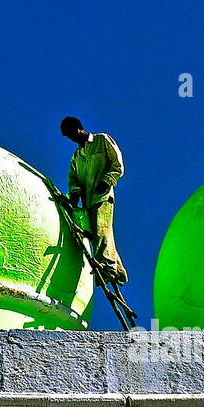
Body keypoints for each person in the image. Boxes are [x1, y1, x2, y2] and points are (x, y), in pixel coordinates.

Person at [59, 116, 128, 285]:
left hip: (102, 195)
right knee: (99, 234)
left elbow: (117, 164)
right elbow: (73, 178)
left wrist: (107, 181)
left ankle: (107, 269)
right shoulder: (77, 156)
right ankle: (118, 270)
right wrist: (74, 194)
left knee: (101, 230)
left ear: (78, 129)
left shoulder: (101, 140)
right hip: (87, 200)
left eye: (70, 134)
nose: (70, 139)